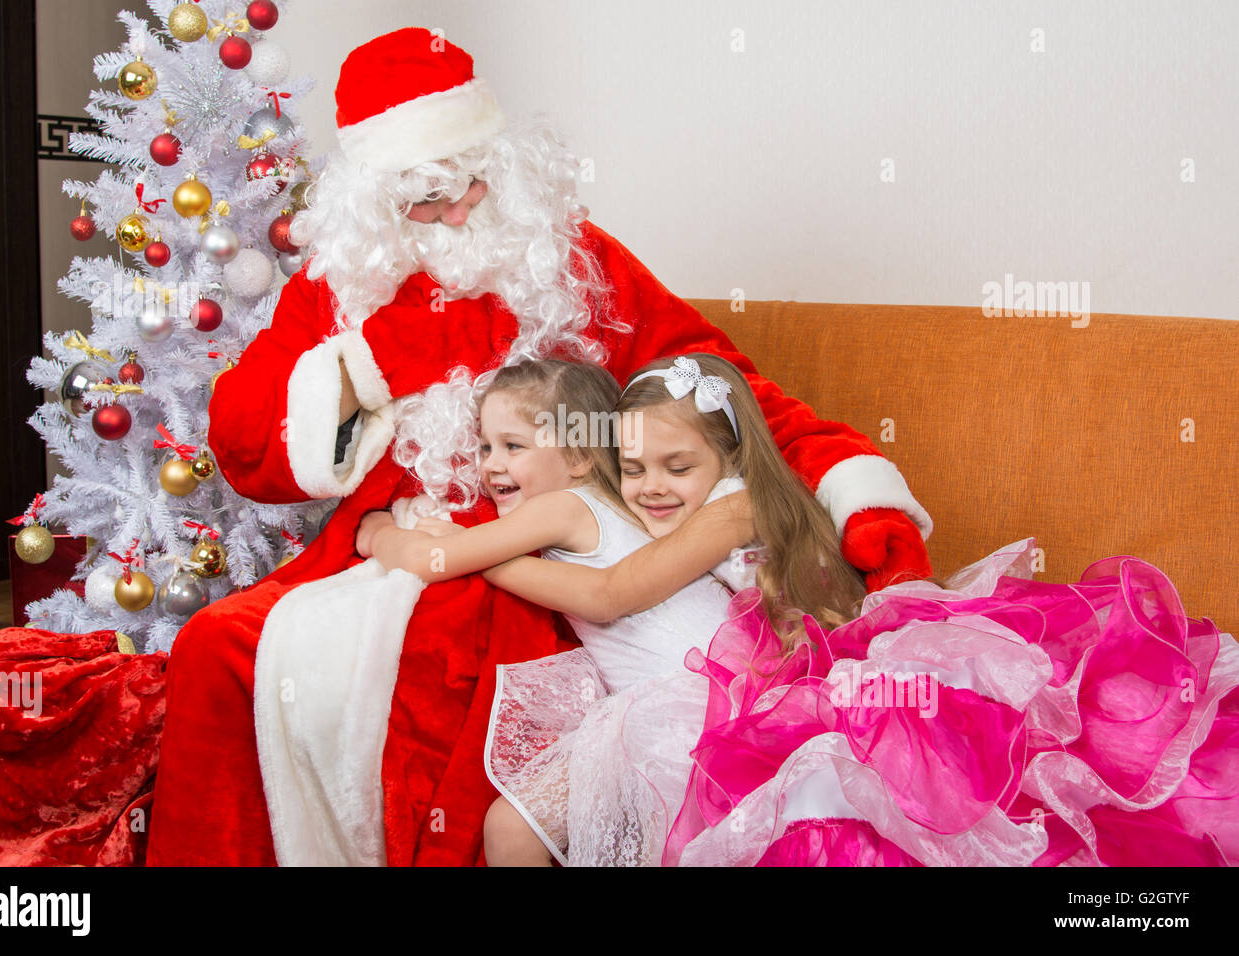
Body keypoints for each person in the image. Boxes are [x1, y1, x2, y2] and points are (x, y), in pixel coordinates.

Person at [148, 27, 935, 867]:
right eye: (425, 200)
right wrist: (373, 360)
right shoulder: (341, 283)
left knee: (430, 688)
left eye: (473, 184)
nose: (457, 214)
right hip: (392, 551)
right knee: (217, 643)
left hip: (540, 554)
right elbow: (241, 441)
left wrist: (854, 487)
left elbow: (726, 387)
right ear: (376, 204)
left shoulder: (571, 259)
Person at [376, 352, 1239, 867]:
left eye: (676, 466)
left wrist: (388, 531)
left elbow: (604, 592)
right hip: (710, 691)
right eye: (639, 469)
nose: (651, 488)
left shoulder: (713, 507)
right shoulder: (651, 505)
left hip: (700, 701)